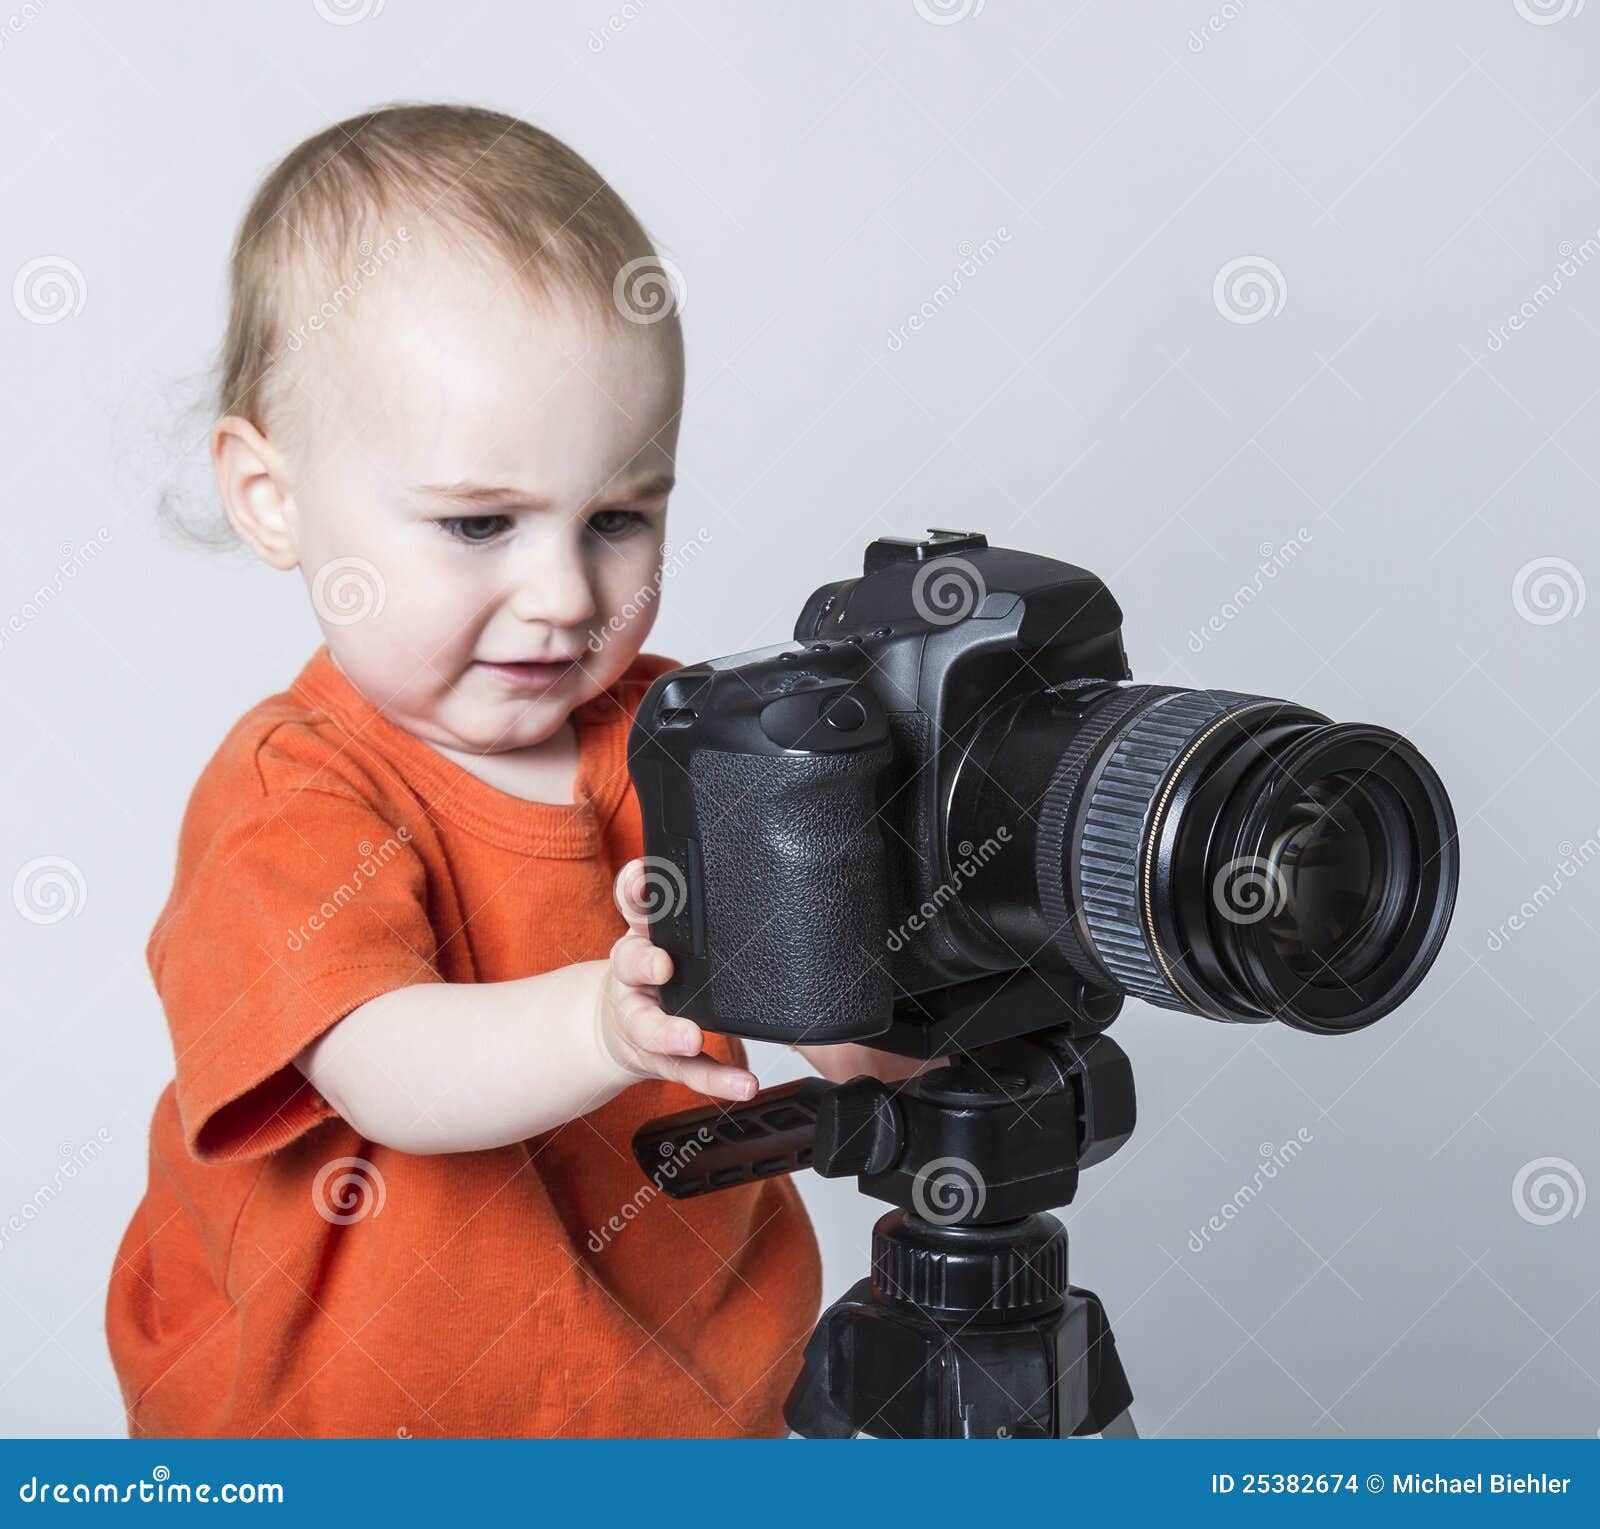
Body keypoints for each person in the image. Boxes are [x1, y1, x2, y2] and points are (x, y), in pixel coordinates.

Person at [106, 103, 919, 1439]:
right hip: (355, 1450)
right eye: (479, 522)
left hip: (684, 1415)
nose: (560, 593)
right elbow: (383, 1065)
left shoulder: (690, 738)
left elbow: (846, 1027)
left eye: (617, 517)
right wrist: (596, 1028)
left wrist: (904, 992)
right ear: (273, 496)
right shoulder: (294, 794)